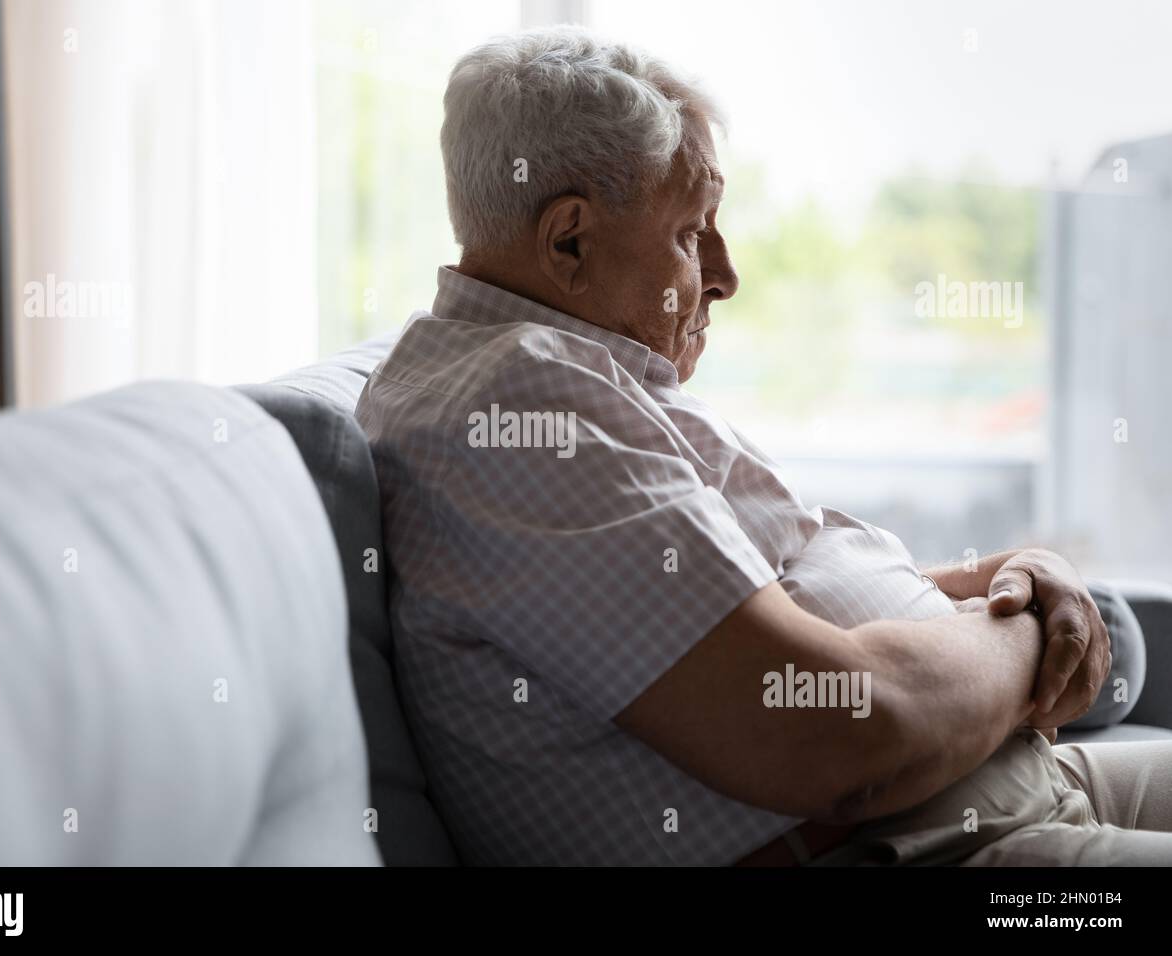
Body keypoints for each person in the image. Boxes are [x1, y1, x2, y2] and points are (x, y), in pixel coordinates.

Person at [355, 26, 1172, 865]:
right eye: (690, 230)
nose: (726, 273)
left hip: (995, 787)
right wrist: (1029, 637)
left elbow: (739, 612)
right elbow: (841, 729)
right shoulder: (519, 416)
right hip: (934, 842)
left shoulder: (563, 376)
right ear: (568, 241)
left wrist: (993, 579)